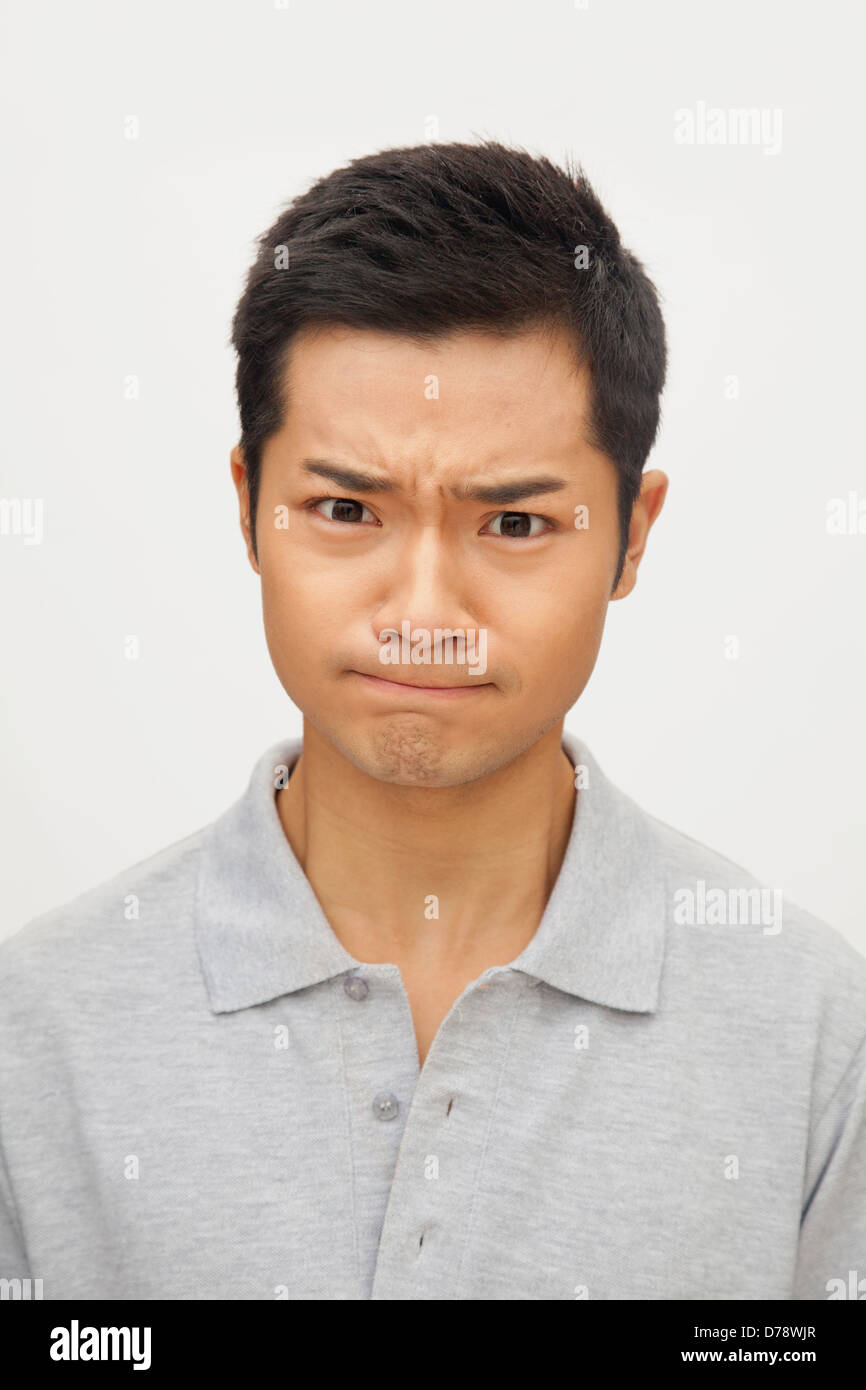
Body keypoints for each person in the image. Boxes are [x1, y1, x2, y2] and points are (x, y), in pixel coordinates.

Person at [1, 141, 863, 1301]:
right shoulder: (34, 1030)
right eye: (345, 508)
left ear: (632, 533)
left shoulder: (818, 1038)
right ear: (250, 511)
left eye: (512, 525)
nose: (422, 615)